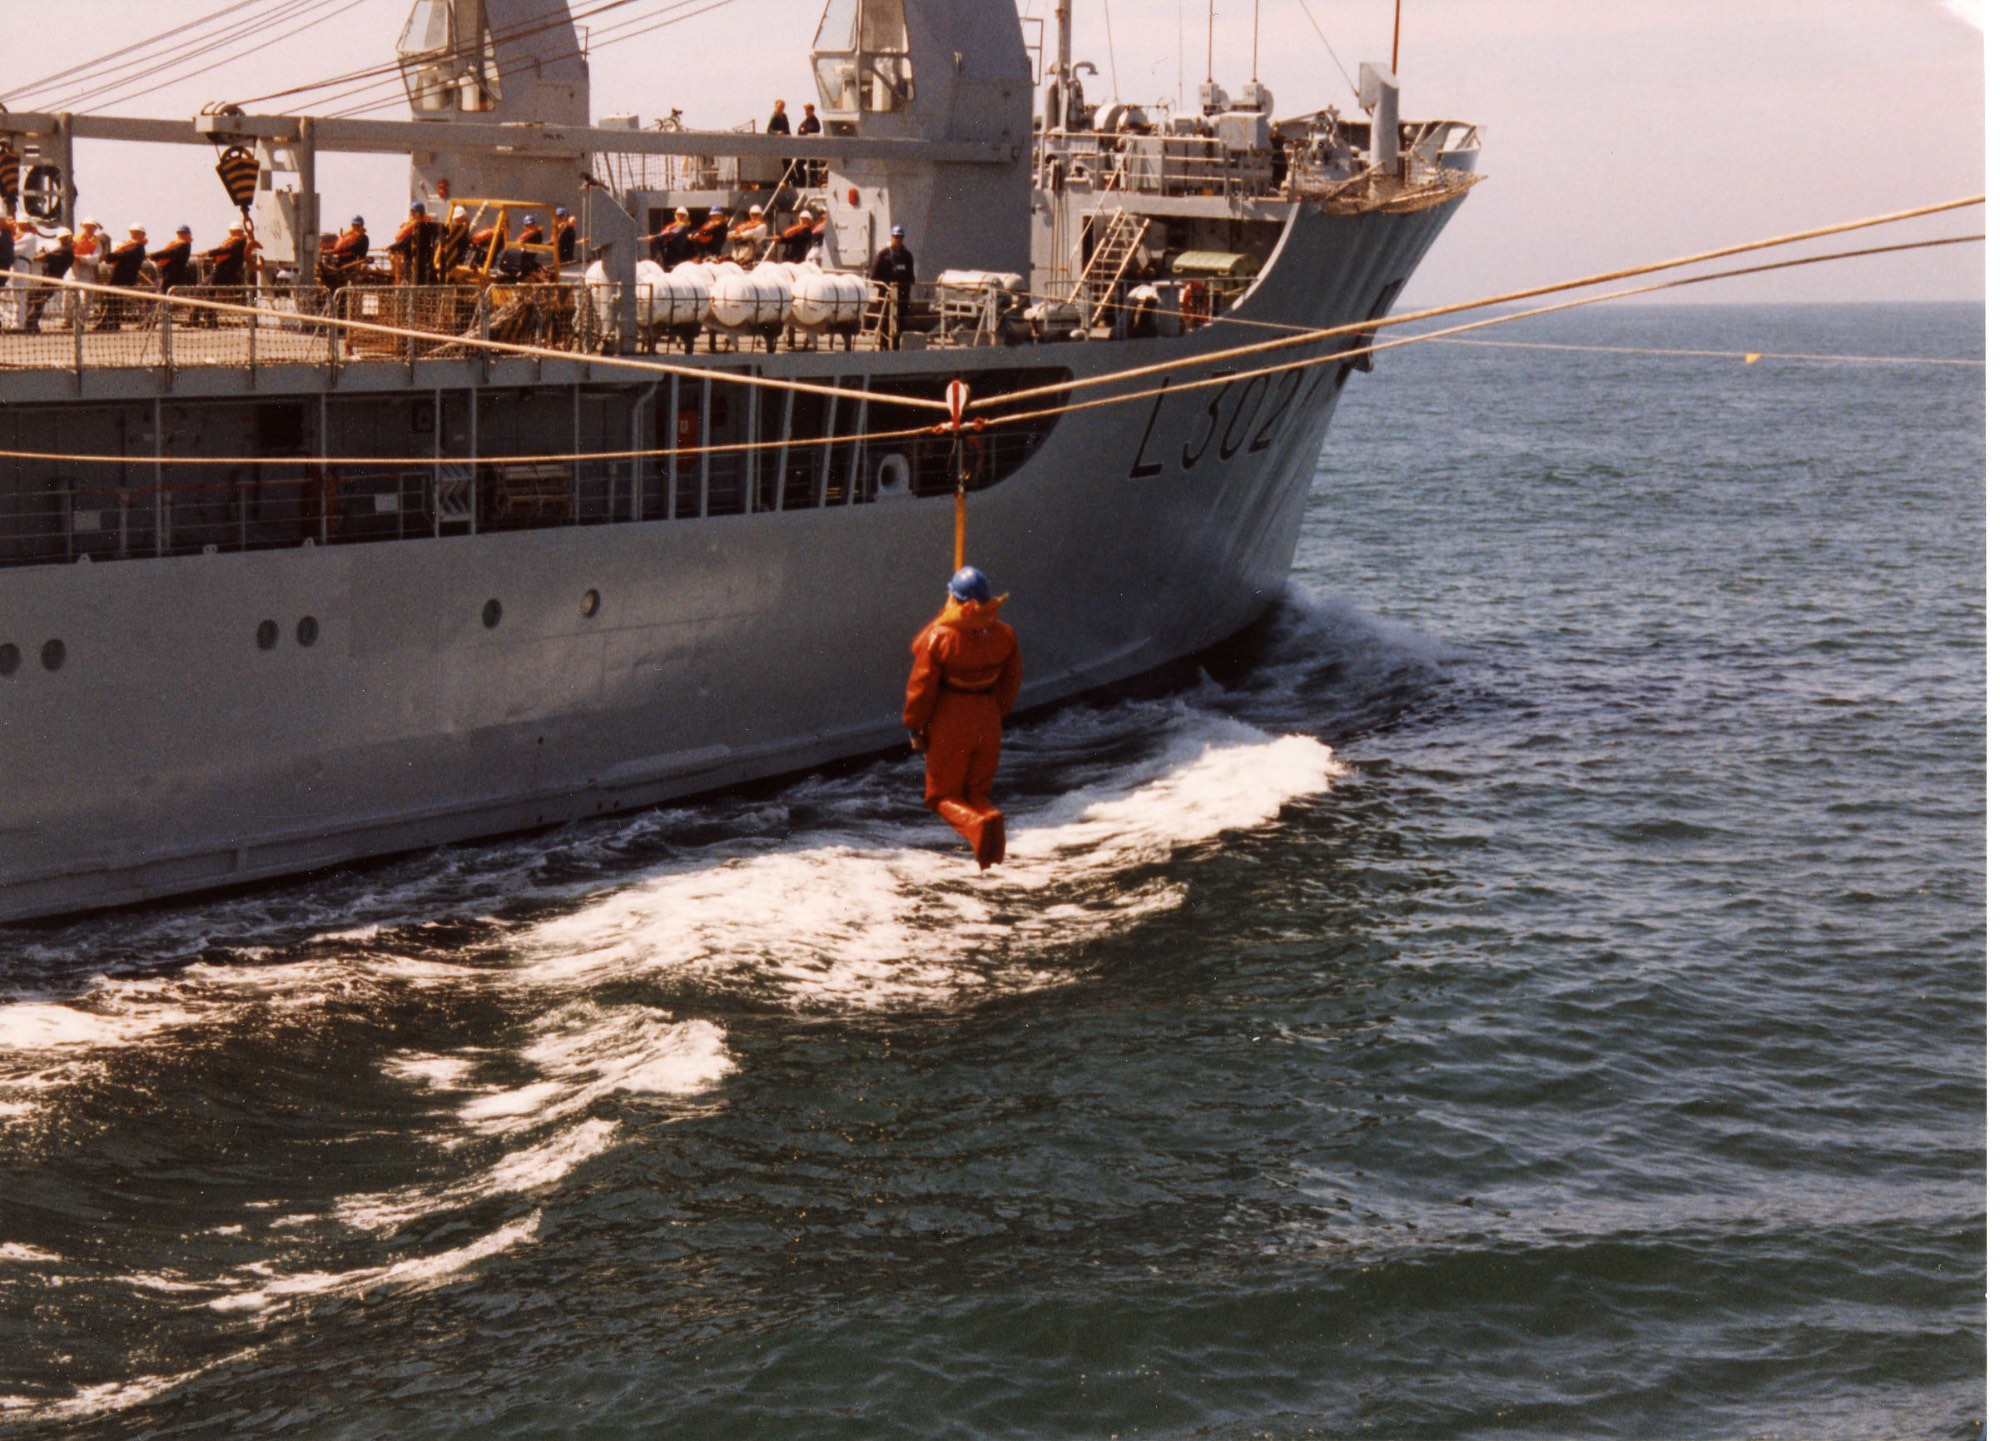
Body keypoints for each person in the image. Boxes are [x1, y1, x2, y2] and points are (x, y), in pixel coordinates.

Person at [903, 566, 1022, 870]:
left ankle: (978, 827)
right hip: (988, 717)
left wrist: (915, 727)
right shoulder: (1005, 635)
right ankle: (989, 835)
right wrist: (996, 713)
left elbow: (922, 687)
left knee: (941, 795)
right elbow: (1011, 683)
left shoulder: (940, 638)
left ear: (953, 600)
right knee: (977, 792)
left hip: (952, 719)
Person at [870, 224, 916, 332]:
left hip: (902, 298)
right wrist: (887, 287)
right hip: (886, 297)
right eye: (896, 237)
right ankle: (884, 347)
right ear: (891, 237)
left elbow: (911, 277)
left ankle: (896, 346)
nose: (898, 240)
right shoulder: (883, 255)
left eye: (900, 237)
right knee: (885, 324)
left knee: (900, 324)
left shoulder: (907, 256)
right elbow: (874, 277)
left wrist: (904, 286)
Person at [101, 224, 149, 327]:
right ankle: (112, 322)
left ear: (142, 235)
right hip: (120, 276)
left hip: (124, 277)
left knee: (114, 300)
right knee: (113, 300)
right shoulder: (132, 245)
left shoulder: (137, 248)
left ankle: (112, 322)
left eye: (136, 233)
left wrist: (106, 256)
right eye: (132, 232)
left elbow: (123, 255)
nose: (133, 234)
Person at [26, 227, 73, 331]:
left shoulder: (63, 250)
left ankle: (31, 323)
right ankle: (31, 323)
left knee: (38, 301)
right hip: (53, 279)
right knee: (37, 300)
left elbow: (44, 257)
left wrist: (30, 257)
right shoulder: (67, 251)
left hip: (50, 280)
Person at [387, 201, 440, 284]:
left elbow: (406, 241)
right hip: (427, 260)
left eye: (412, 212)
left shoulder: (417, 229)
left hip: (413, 261)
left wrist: (390, 247)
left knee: (408, 279)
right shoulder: (428, 226)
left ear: (417, 213)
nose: (411, 215)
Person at [150, 224, 196, 292]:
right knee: (161, 288)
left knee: (165, 290)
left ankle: (165, 302)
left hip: (174, 274)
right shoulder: (179, 244)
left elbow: (170, 253)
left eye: (184, 233)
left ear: (188, 234)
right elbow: (167, 252)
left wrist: (154, 256)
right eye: (179, 233)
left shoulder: (184, 246)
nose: (181, 235)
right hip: (168, 272)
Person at [796, 102, 824, 185]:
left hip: (811, 149)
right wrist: (802, 130)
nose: (806, 112)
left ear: (812, 111)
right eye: (805, 110)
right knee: (798, 165)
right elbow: (799, 130)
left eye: (807, 110)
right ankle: (803, 182)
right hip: (804, 149)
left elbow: (810, 131)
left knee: (811, 167)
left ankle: (811, 183)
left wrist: (803, 130)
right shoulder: (805, 121)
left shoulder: (815, 121)